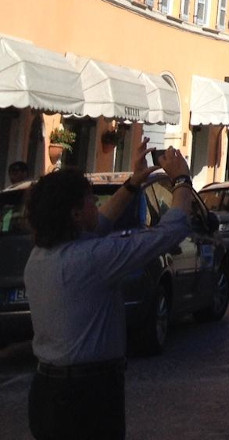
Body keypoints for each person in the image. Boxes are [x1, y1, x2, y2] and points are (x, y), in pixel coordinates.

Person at [24, 143, 201, 440]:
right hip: (88, 393)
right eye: (89, 199)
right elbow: (171, 231)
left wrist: (133, 183)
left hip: (47, 388)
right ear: (75, 214)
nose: (96, 202)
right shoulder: (93, 258)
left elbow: (100, 222)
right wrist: (182, 180)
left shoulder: (41, 254)